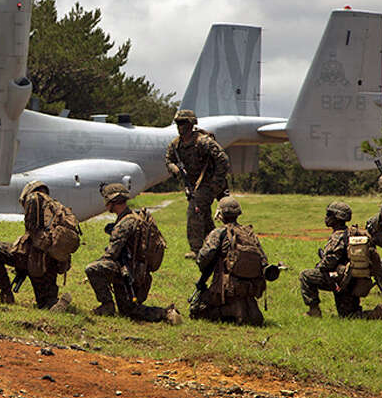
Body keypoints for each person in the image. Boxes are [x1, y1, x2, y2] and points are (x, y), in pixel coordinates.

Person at [84, 183, 182, 324]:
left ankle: (107, 306)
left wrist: (99, 268)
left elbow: (111, 254)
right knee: (128, 311)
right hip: (140, 275)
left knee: (92, 268)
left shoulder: (124, 223)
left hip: (131, 274)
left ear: (113, 201)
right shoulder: (134, 216)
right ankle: (166, 313)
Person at [0, 180, 77, 310]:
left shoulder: (33, 198)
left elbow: (31, 230)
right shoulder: (57, 207)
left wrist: (23, 260)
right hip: (54, 260)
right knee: (45, 302)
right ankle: (54, 302)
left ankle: (5, 293)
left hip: (36, 258)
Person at [191, 197, 276, 325]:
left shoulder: (219, 232)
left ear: (220, 214)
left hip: (227, 289)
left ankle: (232, 310)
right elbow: (263, 260)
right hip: (249, 289)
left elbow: (204, 256)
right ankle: (246, 309)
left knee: (196, 310)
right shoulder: (249, 233)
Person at [298, 202, 382, 319]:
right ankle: (376, 314)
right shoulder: (349, 233)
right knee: (348, 316)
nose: (326, 217)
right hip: (351, 280)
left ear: (337, 217)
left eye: (329, 214)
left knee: (306, 276)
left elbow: (330, 261)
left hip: (340, 279)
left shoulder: (338, 236)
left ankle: (314, 311)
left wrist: (319, 266)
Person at [164, 109, 231, 258]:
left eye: (183, 123)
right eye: (178, 123)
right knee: (204, 215)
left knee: (194, 211)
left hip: (208, 183)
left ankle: (196, 249)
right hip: (194, 185)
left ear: (191, 124)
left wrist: (216, 182)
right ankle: (217, 244)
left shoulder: (203, 142)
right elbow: (168, 159)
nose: (180, 126)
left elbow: (223, 160)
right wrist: (174, 169)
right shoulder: (176, 145)